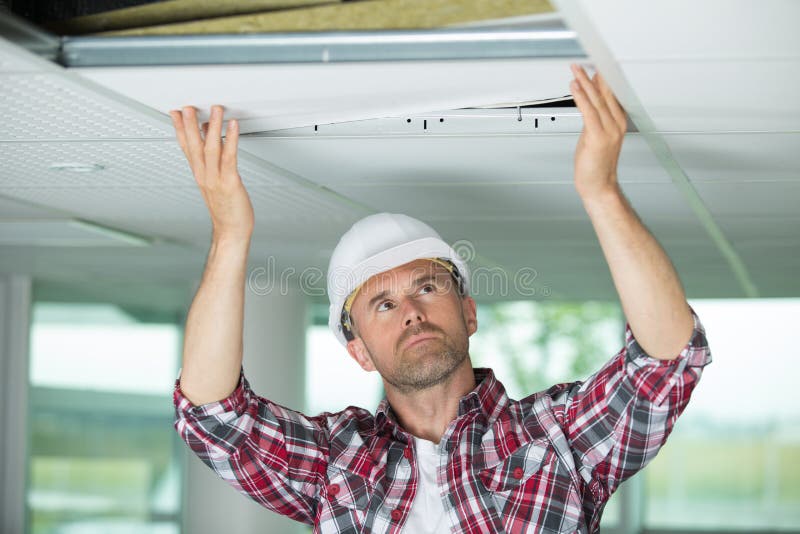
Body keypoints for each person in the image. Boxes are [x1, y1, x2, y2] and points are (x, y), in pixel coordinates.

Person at [168, 64, 712, 533]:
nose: (411, 311)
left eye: (427, 286)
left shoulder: (557, 438)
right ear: (358, 351)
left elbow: (664, 362)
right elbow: (214, 417)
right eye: (383, 304)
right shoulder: (335, 463)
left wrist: (601, 191)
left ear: (468, 311)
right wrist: (230, 235)